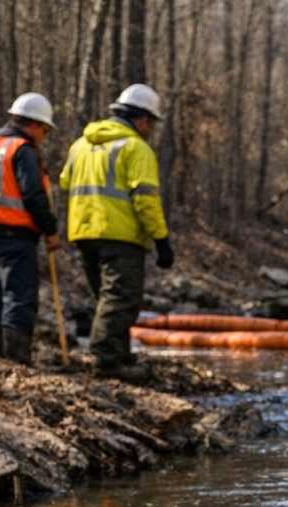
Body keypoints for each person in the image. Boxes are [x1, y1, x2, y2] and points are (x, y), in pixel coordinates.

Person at [60, 83, 174, 383]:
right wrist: (161, 239)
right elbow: (146, 199)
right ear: (141, 119)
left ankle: (119, 354)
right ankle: (107, 363)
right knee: (121, 299)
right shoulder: (135, 148)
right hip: (120, 235)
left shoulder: (80, 146)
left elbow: (64, 182)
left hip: (83, 232)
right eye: (151, 123)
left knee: (105, 298)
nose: (150, 130)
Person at [0, 92, 61, 366]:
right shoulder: (22, 149)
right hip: (16, 236)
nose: (43, 136)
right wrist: (51, 230)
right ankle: (17, 362)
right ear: (34, 125)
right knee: (18, 297)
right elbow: (33, 195)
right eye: (44, 130)